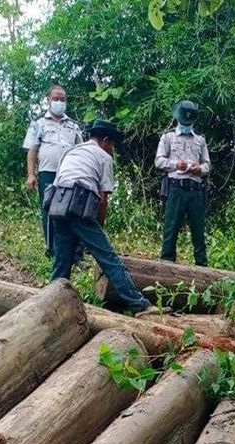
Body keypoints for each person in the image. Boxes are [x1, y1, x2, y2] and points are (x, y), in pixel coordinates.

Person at [43, 119, 157, 316]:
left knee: (61, 262)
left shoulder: (72, 151)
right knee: (108, 257)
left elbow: (57, 183)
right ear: (105, 141)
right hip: (79, 203)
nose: (112, 149)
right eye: (112, 145)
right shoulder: (103, 157)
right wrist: (98, 230)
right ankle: (140, 305)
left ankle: (49, 307)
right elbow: (103, 200)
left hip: (57, 204)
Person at [23, 85, 83, 258]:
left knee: (72, 211)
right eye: (56, 99)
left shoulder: (73, 125)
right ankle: (53, 251)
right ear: (48, 100)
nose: (59, 102)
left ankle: (75, 254)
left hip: (69, 174)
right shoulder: (39, 124)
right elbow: (32, 150)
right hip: (48, 173)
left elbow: (81, 150)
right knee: (49, 211)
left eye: (62, 99)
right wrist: (31, 174)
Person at [155, 100, 211, 266]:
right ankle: (166, 266)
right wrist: (175, 165)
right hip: (176, 187)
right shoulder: (168, 137)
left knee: (198, 232)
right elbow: (158, 161)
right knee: (170, 230)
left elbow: (207, 164)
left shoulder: (200, 139)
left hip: (195, 189)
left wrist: (199, 169)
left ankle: (203, 269)